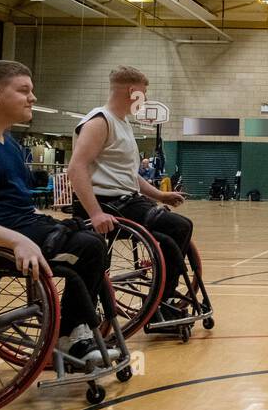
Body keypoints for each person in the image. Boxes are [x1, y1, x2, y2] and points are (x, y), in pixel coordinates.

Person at [0, 60, 109, 367]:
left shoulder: (10, 145)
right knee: (87, 248)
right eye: (24, 90)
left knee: (89, 237)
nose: (33, 98)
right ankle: (68, 335)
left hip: (18, 225)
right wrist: (14, 241)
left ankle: (76, 329)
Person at [68, 66, 193, 308]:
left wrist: (160, 195)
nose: (144, 100)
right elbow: (76, 168)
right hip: (107, 204)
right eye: (143, 94)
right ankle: (162, 301)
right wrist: (95, 213)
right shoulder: (99, 121)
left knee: (174, 231)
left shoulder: (122, 123)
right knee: (178, 227)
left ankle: (162, 297)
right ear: (132, 91)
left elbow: (129, 175)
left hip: (126, 201)